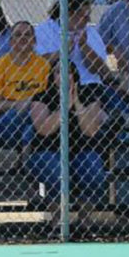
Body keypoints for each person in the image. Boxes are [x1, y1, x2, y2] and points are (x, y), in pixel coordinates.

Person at [27, 63, 108, 226]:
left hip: (81, 151)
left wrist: (76, 102)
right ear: (52, 77)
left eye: (68, 72)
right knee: (56, 171)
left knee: (93, 170)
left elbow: (91, 131)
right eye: (58, 72)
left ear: (75, 76)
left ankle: (85, 222)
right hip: (46, 151)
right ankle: (58, 222)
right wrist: (64, 108)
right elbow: (44, 130)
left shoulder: (89, 96)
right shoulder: (41, 97)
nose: (63, 76)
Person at [35, 0, 122, 118]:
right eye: (84, 15)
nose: (88, 19)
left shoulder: (91, 33)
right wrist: (63, 51)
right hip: (55, 88)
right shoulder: (43, 31)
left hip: (90, 86)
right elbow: (38, 64)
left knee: (108, 105)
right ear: (69, 13)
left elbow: (100, 70)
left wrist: (84, 46)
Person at [0, 21, 50, 148]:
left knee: (30, 127)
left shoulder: (43, 65)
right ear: (11, 41)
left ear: (34, 41)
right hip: (4, 120)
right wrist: (18, 105)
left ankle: (25, 157)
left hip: (35, 118)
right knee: (21, 115)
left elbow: (49, 99)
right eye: (18, 35)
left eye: (27, 35)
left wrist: (29, 105)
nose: (23, 38)